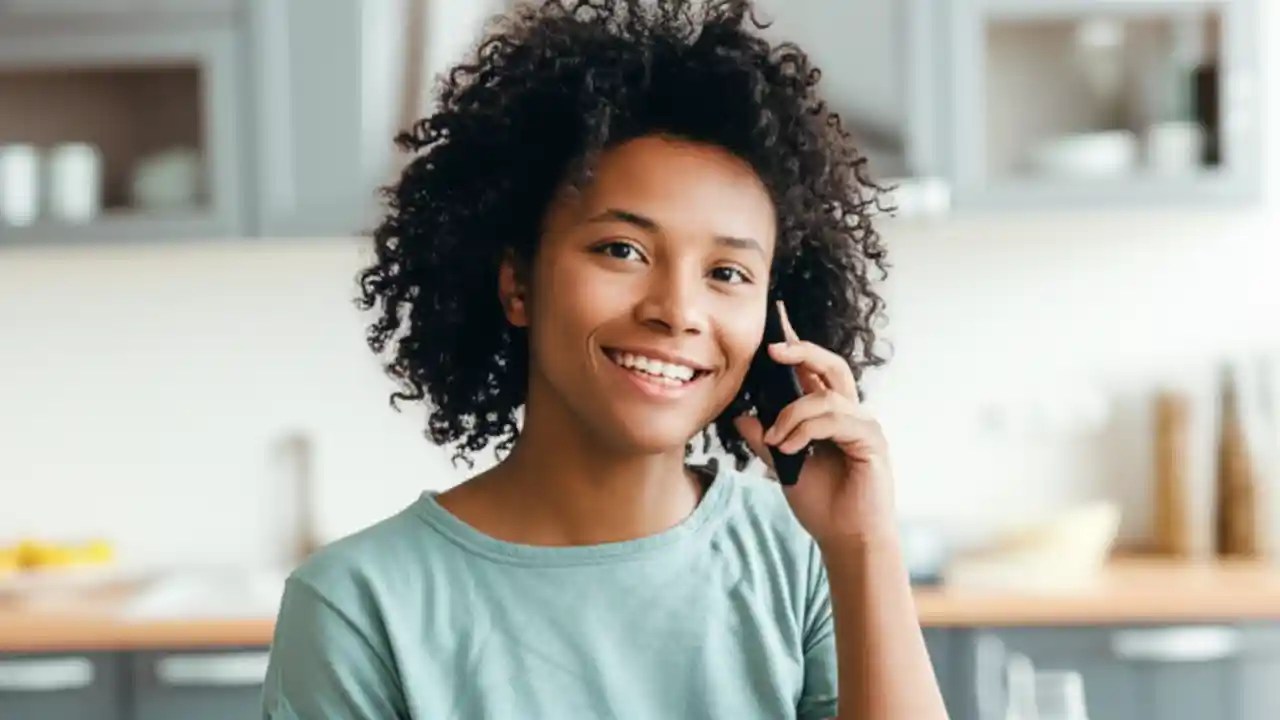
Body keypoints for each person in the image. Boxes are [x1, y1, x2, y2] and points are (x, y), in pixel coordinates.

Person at [262, 1, 948, 718]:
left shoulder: (807, 561)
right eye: (622, 250)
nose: (677, 310)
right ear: (518, 284)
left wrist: (863, 546)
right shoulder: (359, 608)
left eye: (727, 273)